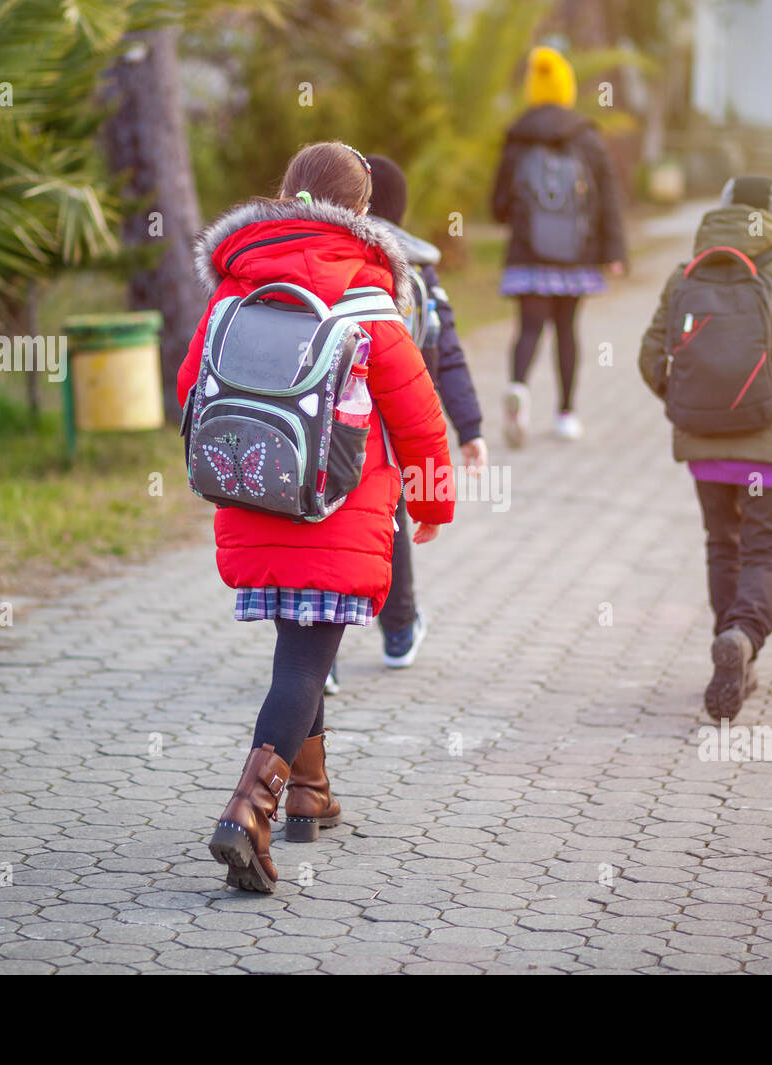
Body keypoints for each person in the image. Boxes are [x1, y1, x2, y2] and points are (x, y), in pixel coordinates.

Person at [178, 142, 456, 892]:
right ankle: (248, 808)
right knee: (307, 662)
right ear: (360, 213)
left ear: (286, 193)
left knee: (295, 653)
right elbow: (421, 420)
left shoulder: (236, 291)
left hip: (254, 495)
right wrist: (431, 503)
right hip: (335, 514)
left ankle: (310, 793)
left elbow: (189, 384)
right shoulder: (370, 301)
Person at [637, 176, 772, 722]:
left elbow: (649, 359)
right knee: (763, 549)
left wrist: (690, 406)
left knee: (722, 543)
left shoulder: (687, 273)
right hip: (768, 453)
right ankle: (743, 638)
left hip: (707, 449)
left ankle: (729, 649)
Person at [365, 153, 487, 668]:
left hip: (324, 423)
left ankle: (317, 659)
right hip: (394, 431)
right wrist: (469, 428)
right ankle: (398, 632)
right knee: (389, 527)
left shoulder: (327, 256)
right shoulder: (419, 268)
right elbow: (449, 352)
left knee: (320, 527)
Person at [491, 45, 626, 447]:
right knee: (567, 330)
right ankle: (566, 413)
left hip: (527, 254)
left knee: (528, 328)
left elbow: (498, 206)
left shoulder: (517, 135)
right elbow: (607, 198)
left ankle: (518, 388)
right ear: (567, 87)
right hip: (575, 255)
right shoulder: (586, 135)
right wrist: (614, 252)